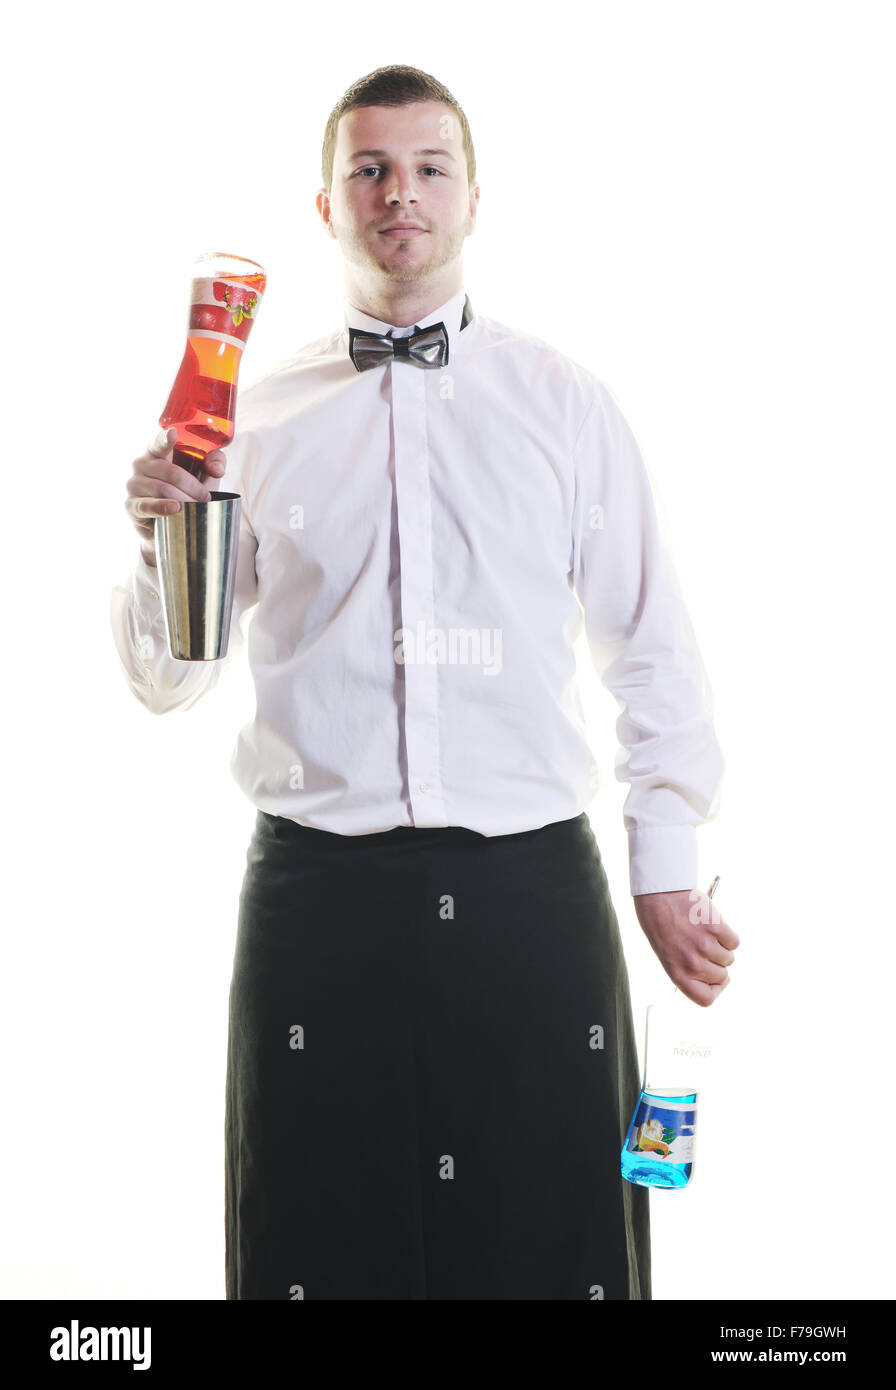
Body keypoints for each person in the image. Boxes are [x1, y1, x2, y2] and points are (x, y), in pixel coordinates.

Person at [111, 64, 739, 1301]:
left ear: (471, 198)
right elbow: (168, 679)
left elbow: (652, 644)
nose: (399, 194)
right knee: (312, 1242)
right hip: (315, 899)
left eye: (427, 168)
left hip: (529, 896)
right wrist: (158, 549)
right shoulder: (252, 418)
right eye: (370, 170)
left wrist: (662, 866)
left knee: (557, 1246)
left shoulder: (563, 406)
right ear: (326, 206)